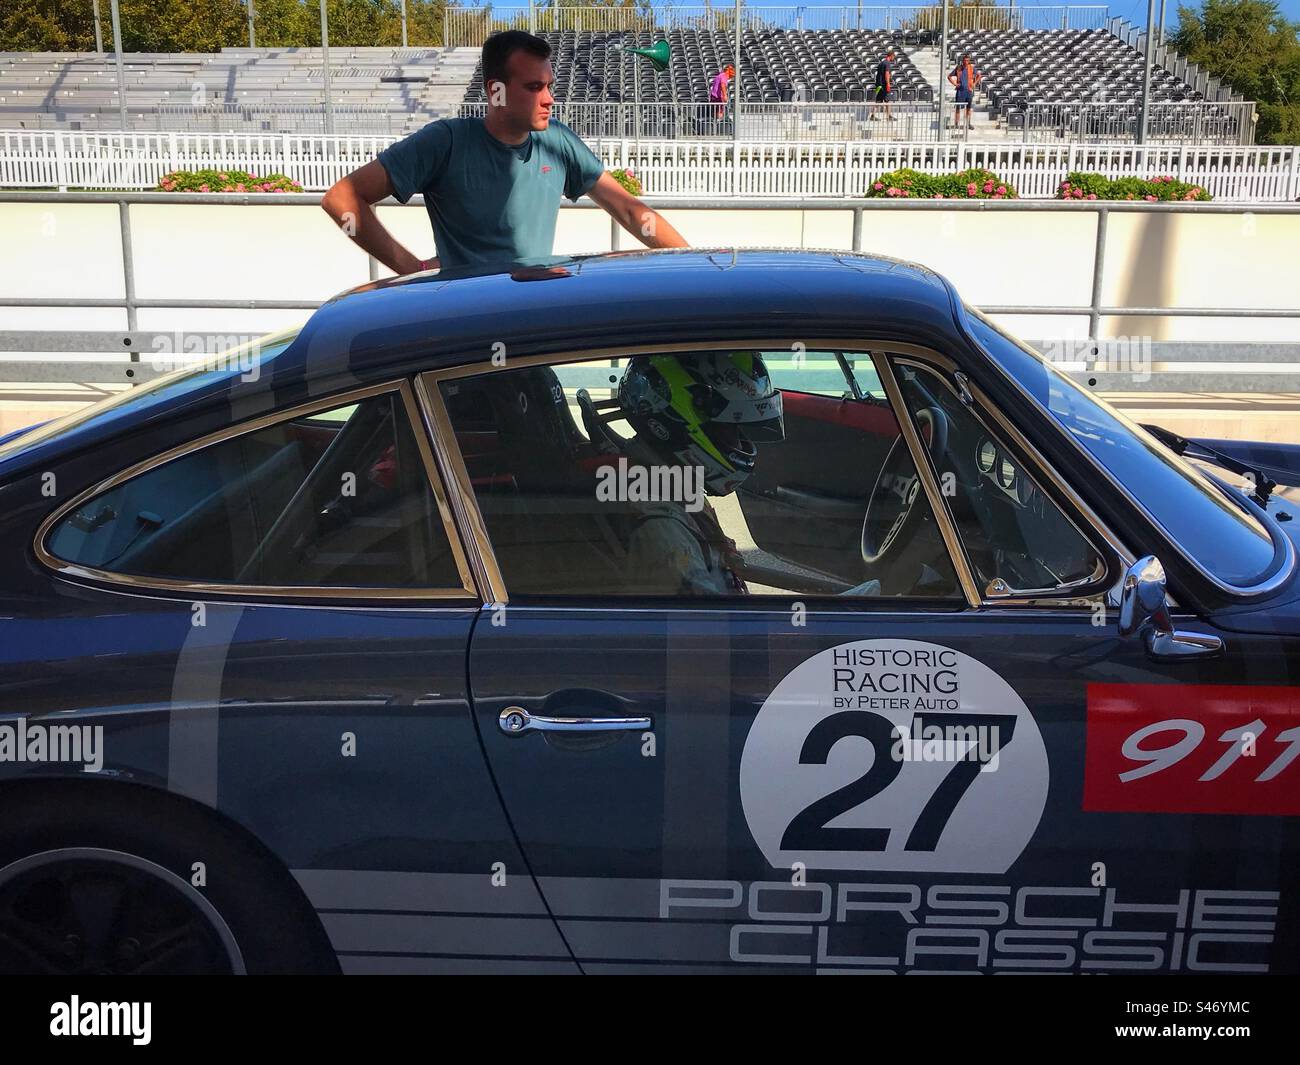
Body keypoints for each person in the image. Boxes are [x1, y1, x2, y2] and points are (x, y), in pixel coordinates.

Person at [321, 31, 688, 275]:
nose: (549, 99)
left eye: (548, 86)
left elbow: (629, 209)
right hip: (466, 329)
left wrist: (694, 265)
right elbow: (341, 199)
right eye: (533, 87)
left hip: (527, 322)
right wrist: (414, 270)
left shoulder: (557, 142)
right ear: (495, 91)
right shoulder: (446, 141)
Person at [580, 351, 785, 595]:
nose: (739, 443)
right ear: (678, 417)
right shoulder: (662, 526)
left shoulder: (671, 483)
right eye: (729, 428)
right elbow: (706, 626)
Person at [948, 53, 982, 133]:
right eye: (965, 60)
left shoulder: (971, 68)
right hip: (960, 91)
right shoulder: (958, 68)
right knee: (958, 108)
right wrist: (955, 84)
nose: (966, 62)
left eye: (967, 60)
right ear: (962, 61)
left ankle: (968, 123)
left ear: (969, 61)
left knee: (968, 108)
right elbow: (949, 76)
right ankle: (956, 123)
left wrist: (974, 83)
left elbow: (979, 75)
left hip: (969, 91)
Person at [708, 63, 735, 134]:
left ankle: (716, 128)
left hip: (714, 96)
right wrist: (725, 95)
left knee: (716, 112)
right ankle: (719, 129)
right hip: (718, 97)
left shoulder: (720, 75)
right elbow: (723, 85)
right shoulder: (724, 76)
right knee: (719, 112)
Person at [872, 49, 896, 122]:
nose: (894, 58)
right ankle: (889, 116)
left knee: (878, 101)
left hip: (879, 85)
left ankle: (872, 115)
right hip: (884, 85)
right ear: (891, 55)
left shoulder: (881, 63)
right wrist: (888, 84)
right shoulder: (887, 63)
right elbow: (886, 74)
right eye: (894, 56)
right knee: (887, 100)